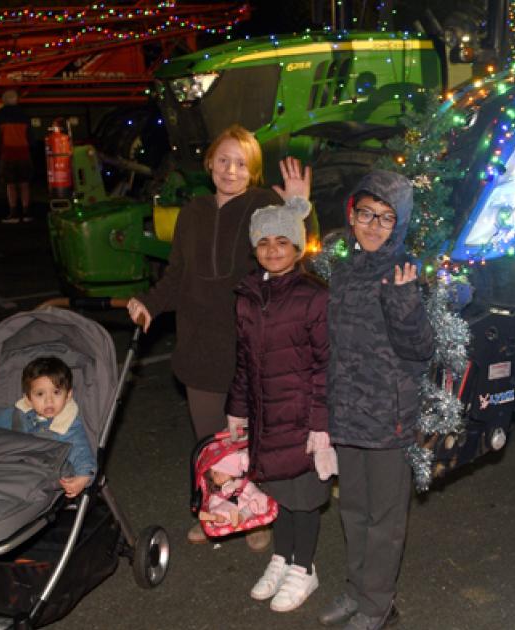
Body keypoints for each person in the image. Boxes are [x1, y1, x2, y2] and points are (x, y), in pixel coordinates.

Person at [124, 125, 304, 547]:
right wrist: (149, 302)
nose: (231, 170)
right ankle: (214, 509)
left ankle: (254, 516)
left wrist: (297, 206)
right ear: (209, 163)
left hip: (247, 344)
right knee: (209, 440)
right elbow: (176, 275)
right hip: (198, 343)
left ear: (253, 171)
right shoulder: (193, 211)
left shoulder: (262, 203)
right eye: (223, 160)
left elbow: (290, 244)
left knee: (249, 438)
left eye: (242, 163)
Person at [318, 171, 434, 630]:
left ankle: (377, 605)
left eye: (386, 219)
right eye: (366, 213)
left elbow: (421, 349)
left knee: (384, 520)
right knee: (352, 509)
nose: (373, 225)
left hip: (389, 418)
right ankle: (356, 590)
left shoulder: (402, 273)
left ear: (399, 225)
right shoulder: (344, 271)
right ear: (352, 214)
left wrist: (404, 302)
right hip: (348, 414)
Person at [225, 189, 336, 614]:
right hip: (268, 415)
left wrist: (322, 424)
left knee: (304, 495)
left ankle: (304, 568)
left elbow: (328, 365)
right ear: (255, 248)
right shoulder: (250, 294)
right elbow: (244, 360)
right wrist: (237, 407)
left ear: (297, 246)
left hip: (305, 418)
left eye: (282, 242)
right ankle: (282, 556)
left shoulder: (314, 296)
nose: (273, 250)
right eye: (264, 242)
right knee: (281, 493)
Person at [0, 356, 96, 498]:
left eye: (56, 392)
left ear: (68, 396)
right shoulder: (19, 413)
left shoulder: (67, 425)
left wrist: (84, 476)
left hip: (40, 474)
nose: (49, 400)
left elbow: (81, 451)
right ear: (28, 399)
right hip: (13, 464)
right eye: (40, 394)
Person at [0, 90, 33, 223]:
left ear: (4, 100)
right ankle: (26, 212)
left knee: (10, 185)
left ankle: (13, 213)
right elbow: (31, 136)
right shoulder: (24, 115)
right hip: (23, 153)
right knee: (24, 183)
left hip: (7, 153)